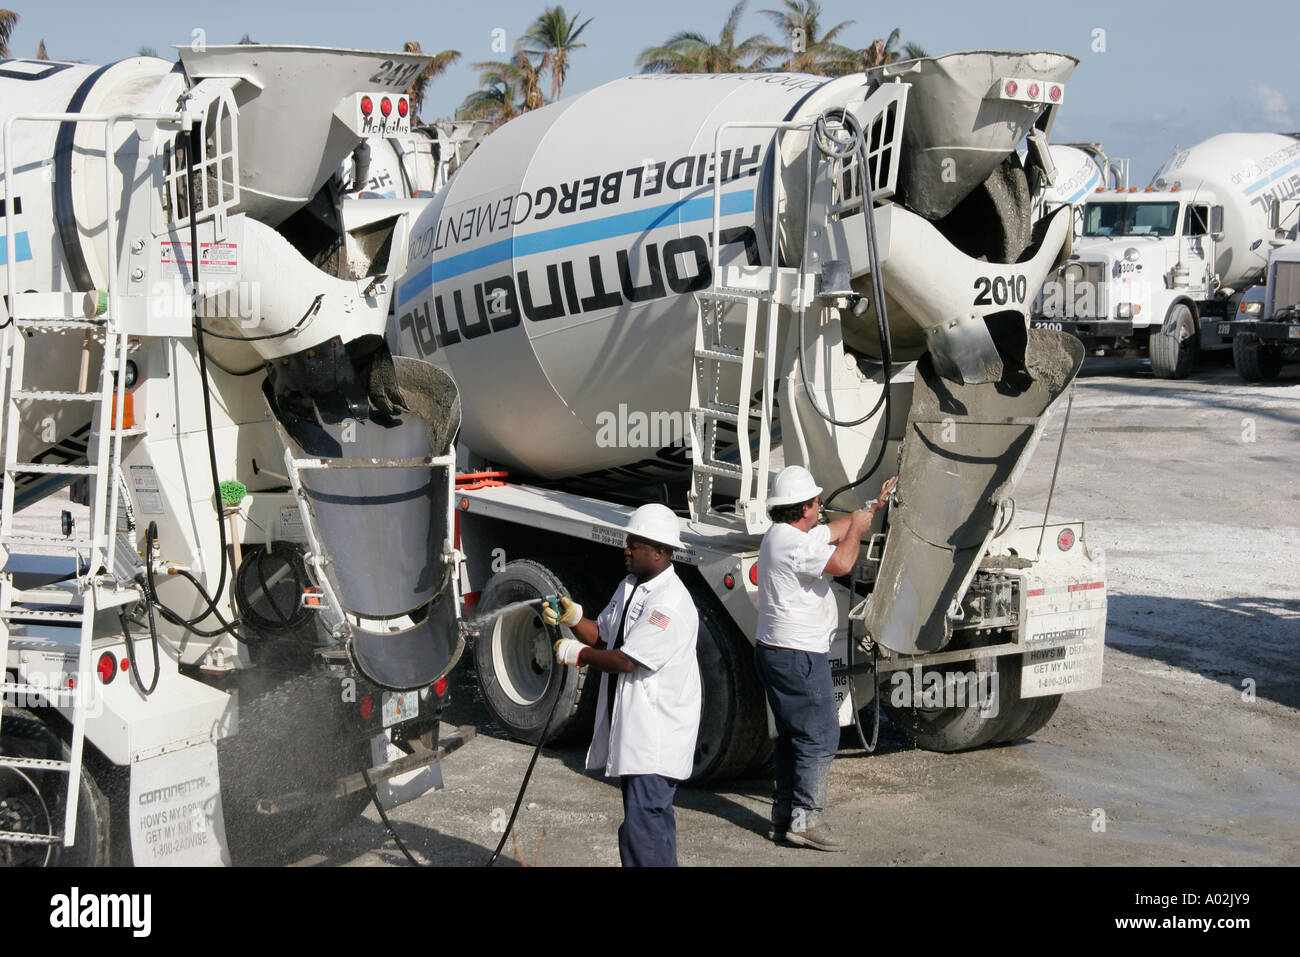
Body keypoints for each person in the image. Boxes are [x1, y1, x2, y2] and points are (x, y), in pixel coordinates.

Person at [547, 503, 701, 867]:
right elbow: (604, 636)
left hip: (657, 739)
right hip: (637, 734)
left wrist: (577, 654)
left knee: (643, 832)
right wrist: (575, 619)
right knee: (648, 828)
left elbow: (627, 660)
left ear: (661, 552)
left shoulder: (670, 604)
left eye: (635, 544)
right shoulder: (632, 585)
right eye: (628, 542)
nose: (626, 549)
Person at [755, 465, 896, 851]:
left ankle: (784, 818)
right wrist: (856, 532)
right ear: (803, 508)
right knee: (820, 735)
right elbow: (843, 563)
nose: (821, 507)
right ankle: (806, 820)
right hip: (797, 655)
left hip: (780, 652)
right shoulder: (792, 545)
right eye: (817, 503)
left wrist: (874, 505)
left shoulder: (785, 534)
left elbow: (840, 527)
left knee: (792, 737)